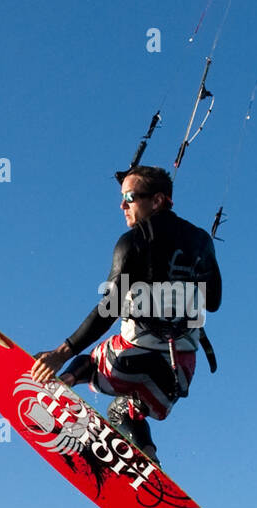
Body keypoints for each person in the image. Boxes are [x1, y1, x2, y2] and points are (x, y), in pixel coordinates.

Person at [28, 166, 222, 464]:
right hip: (176, 380)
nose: (122, 205)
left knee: (91, 361)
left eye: (130, 197)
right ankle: (149, 459)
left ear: (157, 201)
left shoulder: (132, 242)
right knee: (123, 411)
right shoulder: (202, 241)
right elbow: (214, 302)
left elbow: (109, 309)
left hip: (127, 362)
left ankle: (62, 383)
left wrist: (61, 352)